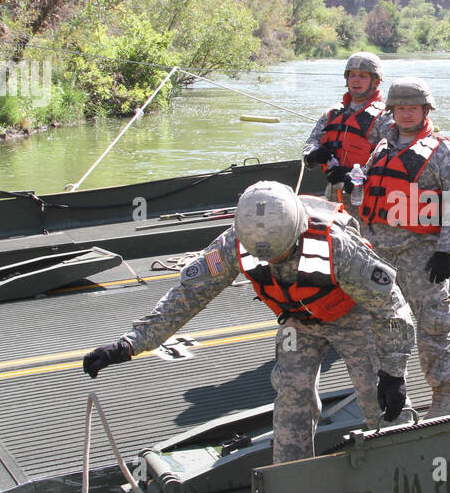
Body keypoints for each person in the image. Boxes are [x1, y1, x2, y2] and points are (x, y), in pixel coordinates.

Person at [82, 181, 416, 464]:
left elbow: (392, 307)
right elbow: (186, 296)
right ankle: (292, 483)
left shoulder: (337, 247)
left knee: (381, 400)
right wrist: (128, 345)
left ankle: (405, 464)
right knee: (291, 399)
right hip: (298, 322)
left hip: (352, 315)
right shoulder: (235, 243)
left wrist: (394, 372)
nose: (272, 261)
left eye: (281, 254)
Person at [359, 77, 450, 418]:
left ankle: (442, 397)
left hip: (423, 256)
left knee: (434, 328)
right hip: (381, 254)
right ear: (391, 111)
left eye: (413, 108)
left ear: (425, 111)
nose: (406, 114)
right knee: (385, 327)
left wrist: (447, 251)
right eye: (400, 108)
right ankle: (397, 399)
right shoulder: (380, 149)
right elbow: (366, 201)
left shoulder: (443, 153)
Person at [302, 52, 393, 219]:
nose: (356, 80)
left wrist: (356, 174)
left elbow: (394, 159)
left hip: (367, 197)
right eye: (352, 75)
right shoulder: (333, 112)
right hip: (333, 194)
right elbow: (311, 143)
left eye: (363, 76)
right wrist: (315, 154)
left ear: (376, 81)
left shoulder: (385, 116)